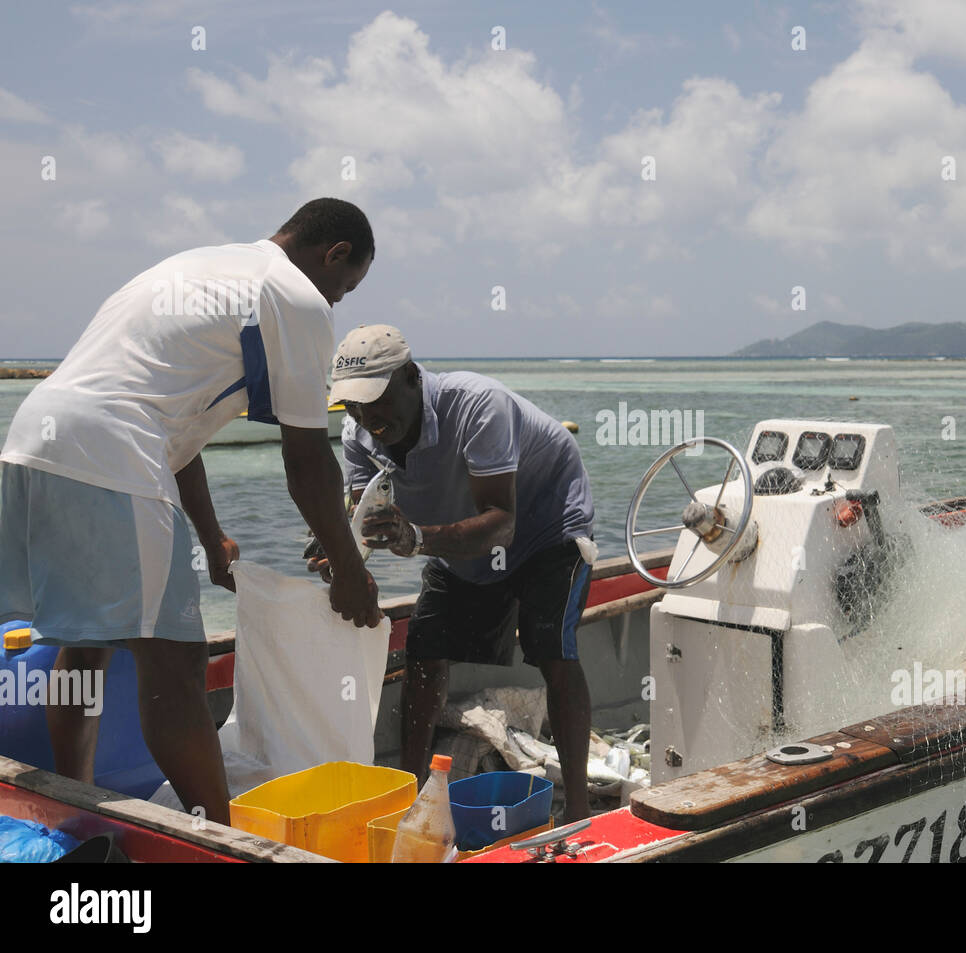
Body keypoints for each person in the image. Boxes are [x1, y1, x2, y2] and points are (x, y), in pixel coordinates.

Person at [0, 198, 383, 825]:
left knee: (84, 641)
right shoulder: (295, 295)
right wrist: (347, 567)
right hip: (111, 452)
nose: (335, 303)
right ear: (333, 254)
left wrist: (211, 538)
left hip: (34, 442)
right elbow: (308, 459)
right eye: (343, 289)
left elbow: (177, 437)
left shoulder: (199, 267)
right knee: (174, 661)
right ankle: (221, 840)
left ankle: (75, 811)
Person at [307, 325, 598, 821]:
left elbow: (501, 524)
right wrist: (341, 547)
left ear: (411, 377)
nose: (368, 418)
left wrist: (415, 538)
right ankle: (413, 797)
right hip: (456, 534)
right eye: (353, 407)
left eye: (376, 402)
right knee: (424, 648)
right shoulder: (359, 434)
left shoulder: (477, 404)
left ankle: (579, 803)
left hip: (545, 528)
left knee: (552, 647)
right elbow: (364, 516)